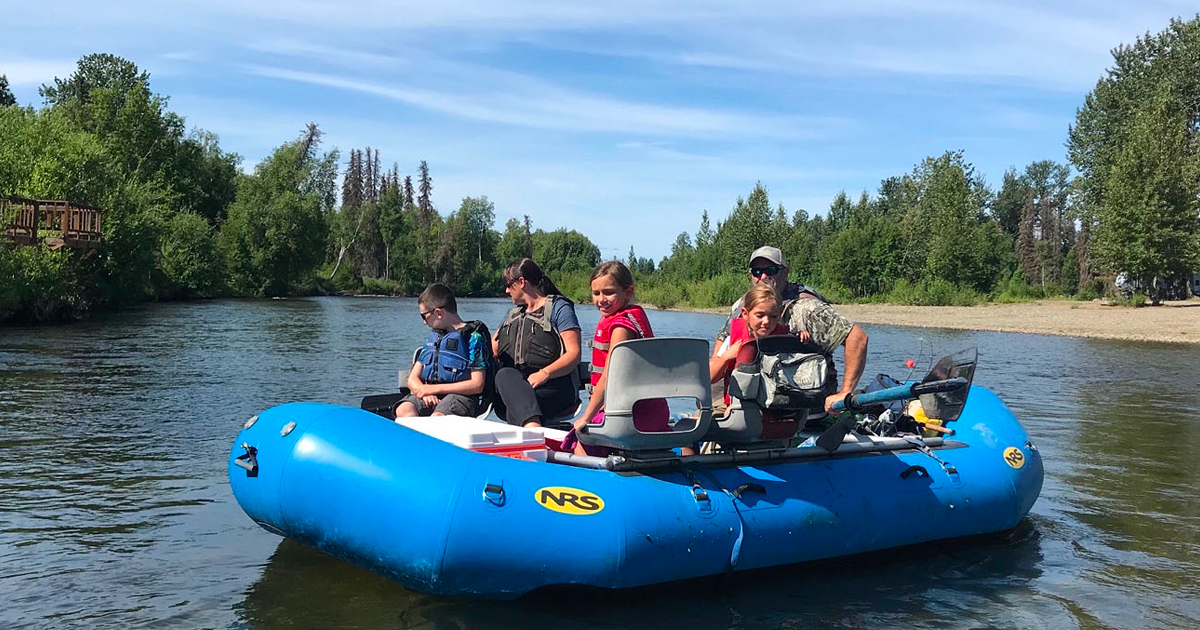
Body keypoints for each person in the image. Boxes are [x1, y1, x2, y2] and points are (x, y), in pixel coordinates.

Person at [713, 245, 868, 413]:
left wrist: (845, 392)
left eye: (771, 270)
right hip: (745, 405)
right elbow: (716, 358)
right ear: (751, 275)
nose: (764, 277)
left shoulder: (807, 308)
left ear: (785, 272)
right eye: (757, 272)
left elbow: (858, 338)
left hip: (798, 406)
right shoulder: (742, 305)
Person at [568, 261, 670, 455]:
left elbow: (609, 376)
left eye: (608, 292)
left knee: (579, 440)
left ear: (628, 292)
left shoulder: (621, 327)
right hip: (650, 413)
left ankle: (588, 483)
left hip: (633, 416)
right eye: (596, 293)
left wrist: (587, 416)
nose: (601, 299)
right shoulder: (622, 316)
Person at [492, 258, 583, 427]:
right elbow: (492, 350)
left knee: (516, 401)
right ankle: (532, 429)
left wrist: (544, 373)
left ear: (521, 282)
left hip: (552, 387)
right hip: (516, 388)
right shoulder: (513, 315)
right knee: (504, 374)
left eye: (508, 284)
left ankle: (532, 430)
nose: (506, 290)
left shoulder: (558, 308)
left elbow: (574, 354)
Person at [395, 283, 490, 418]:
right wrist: (424, 392)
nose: (424, 322)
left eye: (424, 316)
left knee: (438, 418)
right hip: (428, 394)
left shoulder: (473, 339)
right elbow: (412, 378)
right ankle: (414, 439)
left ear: (439, 313)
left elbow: (477, 384)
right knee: (404, 410)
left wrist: (434, 389)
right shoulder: (433, 339)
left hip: (460, 398)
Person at [709, 284, 791, 409]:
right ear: (745, 314)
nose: (766, 321)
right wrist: (726, 357)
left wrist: (801, 339)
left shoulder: (785, 337)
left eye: (773, 316)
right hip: (737, 405)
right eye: (760, 315)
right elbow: (710, 377)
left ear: (779, 315)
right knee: (702, 419)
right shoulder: (734, 339)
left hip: (773, 406)